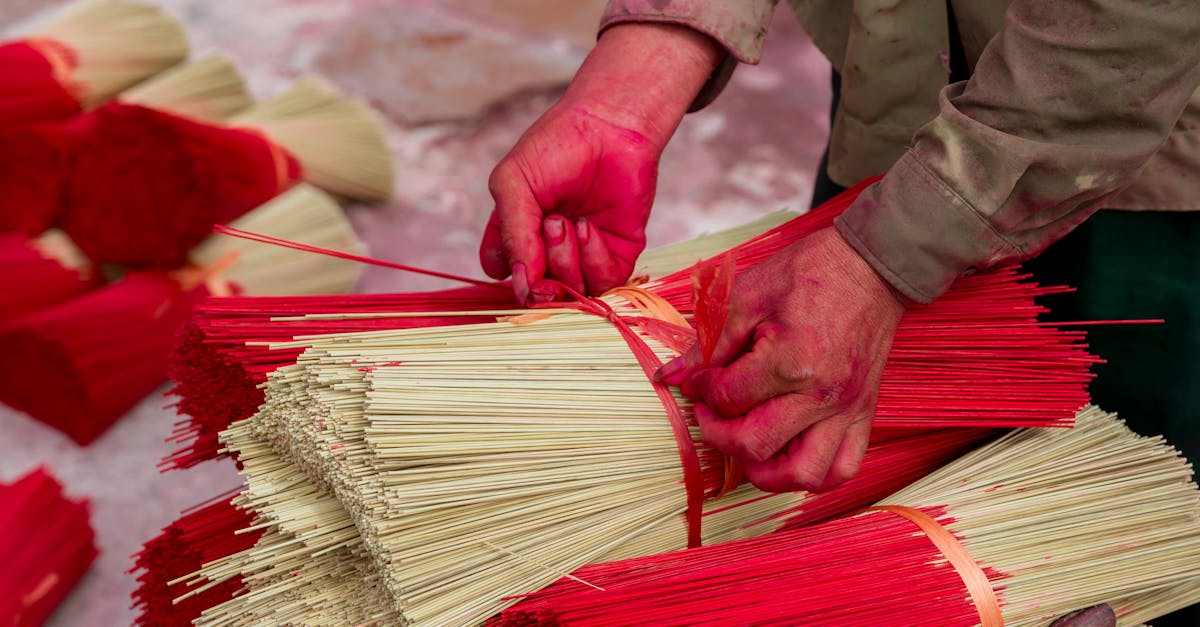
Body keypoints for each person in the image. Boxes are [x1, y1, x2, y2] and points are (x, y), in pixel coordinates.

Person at [479, 2, 1200, 622]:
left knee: (1131, 531)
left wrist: (882, 260)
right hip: (904, 74)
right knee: (828, 481)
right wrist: (635, 81)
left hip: (1152, 151)